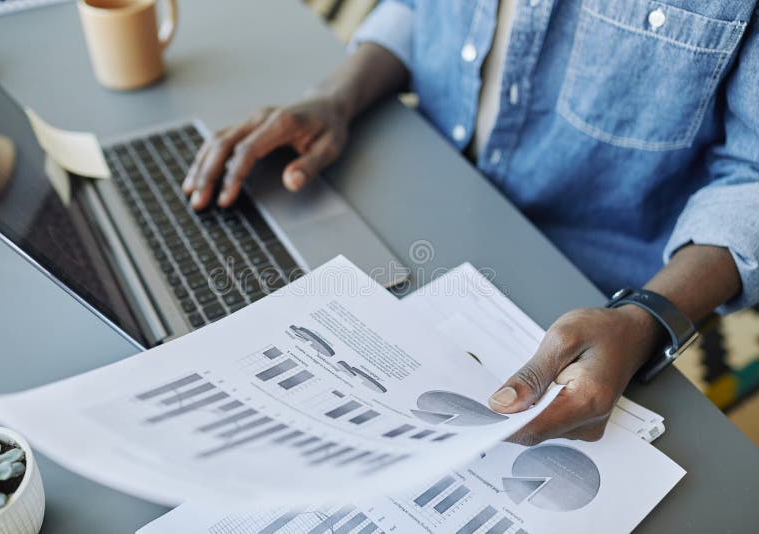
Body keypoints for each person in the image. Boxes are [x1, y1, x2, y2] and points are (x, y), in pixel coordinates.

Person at [182, 1, 759, 445]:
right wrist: (335, 97)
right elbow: (420, 10)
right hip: (413, 197)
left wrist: (647, 318)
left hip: (591, 296)